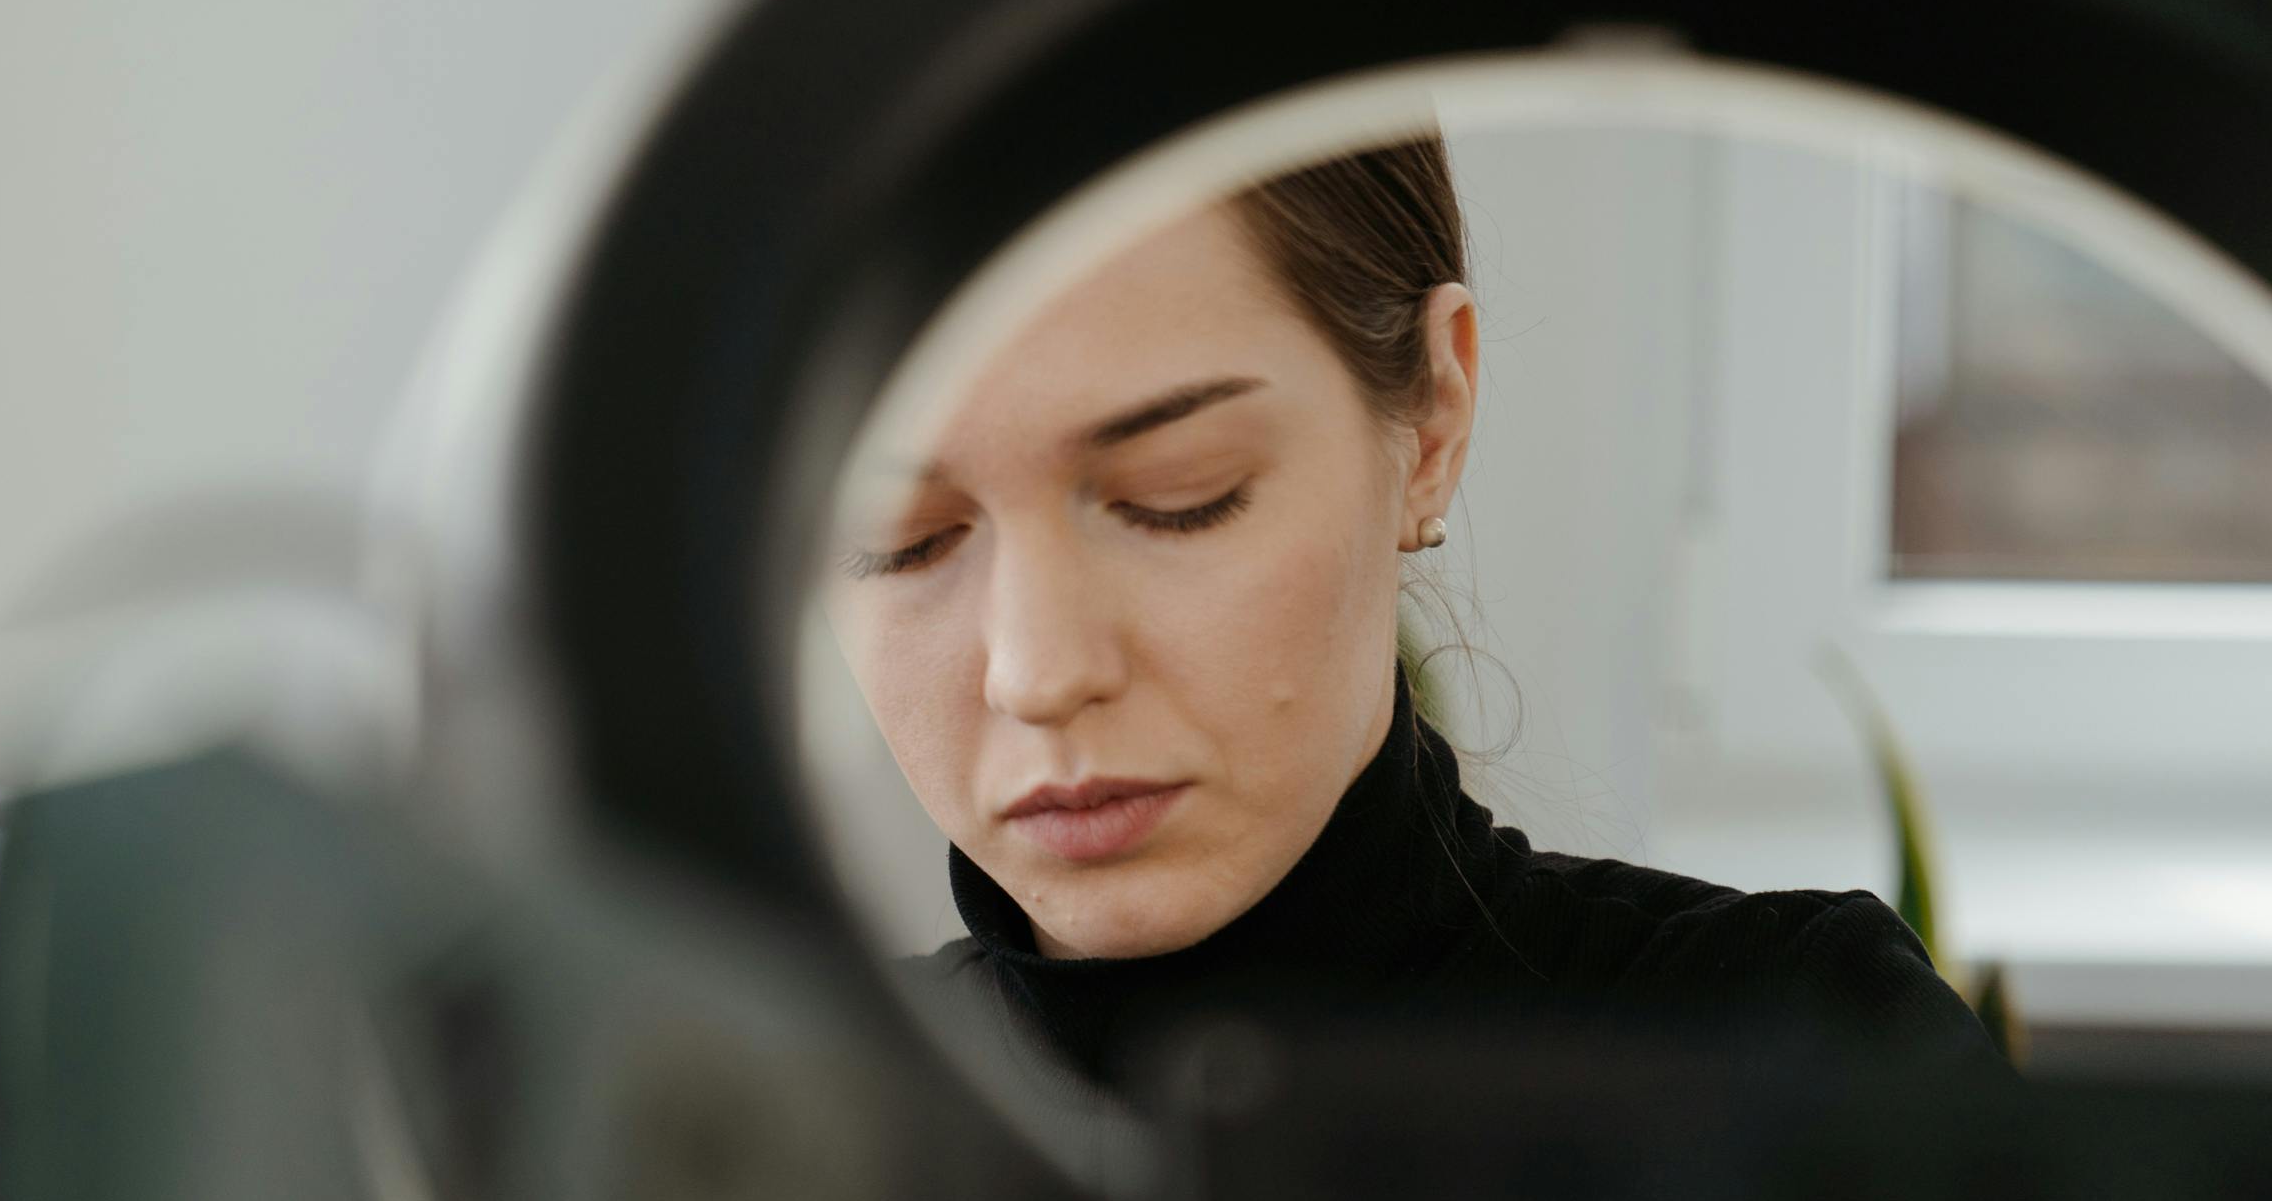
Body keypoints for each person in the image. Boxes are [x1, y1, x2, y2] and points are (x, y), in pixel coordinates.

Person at [822, 129, 1993, 1096]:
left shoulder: (1796, 1064)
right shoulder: (777, 1129)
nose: (1037, 671)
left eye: (1176, 495)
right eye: (900, 536)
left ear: (1430, 423)